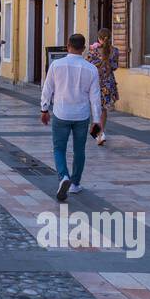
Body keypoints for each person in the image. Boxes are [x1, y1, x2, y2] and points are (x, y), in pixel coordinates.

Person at [39, 33, 103, 202]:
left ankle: (63, 176)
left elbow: (48, 88)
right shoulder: (91, 69)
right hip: (82, 115)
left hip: (61, 112)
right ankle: (75, 183)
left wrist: (44, 109)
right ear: (83, 49)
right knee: (79, 149)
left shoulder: (56, 65)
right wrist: (97, 121)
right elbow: (95, 98)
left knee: (59, 148)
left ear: (68, 46)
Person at [86, 27, 121, 145]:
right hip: (108, 82)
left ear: (99, 38)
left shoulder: (93, 51)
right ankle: (100, 133)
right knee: (103, 109)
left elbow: (87, 65)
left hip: (95, 82)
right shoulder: (115, 51)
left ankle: (98, 133)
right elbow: (115, 67)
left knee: (95, 108)